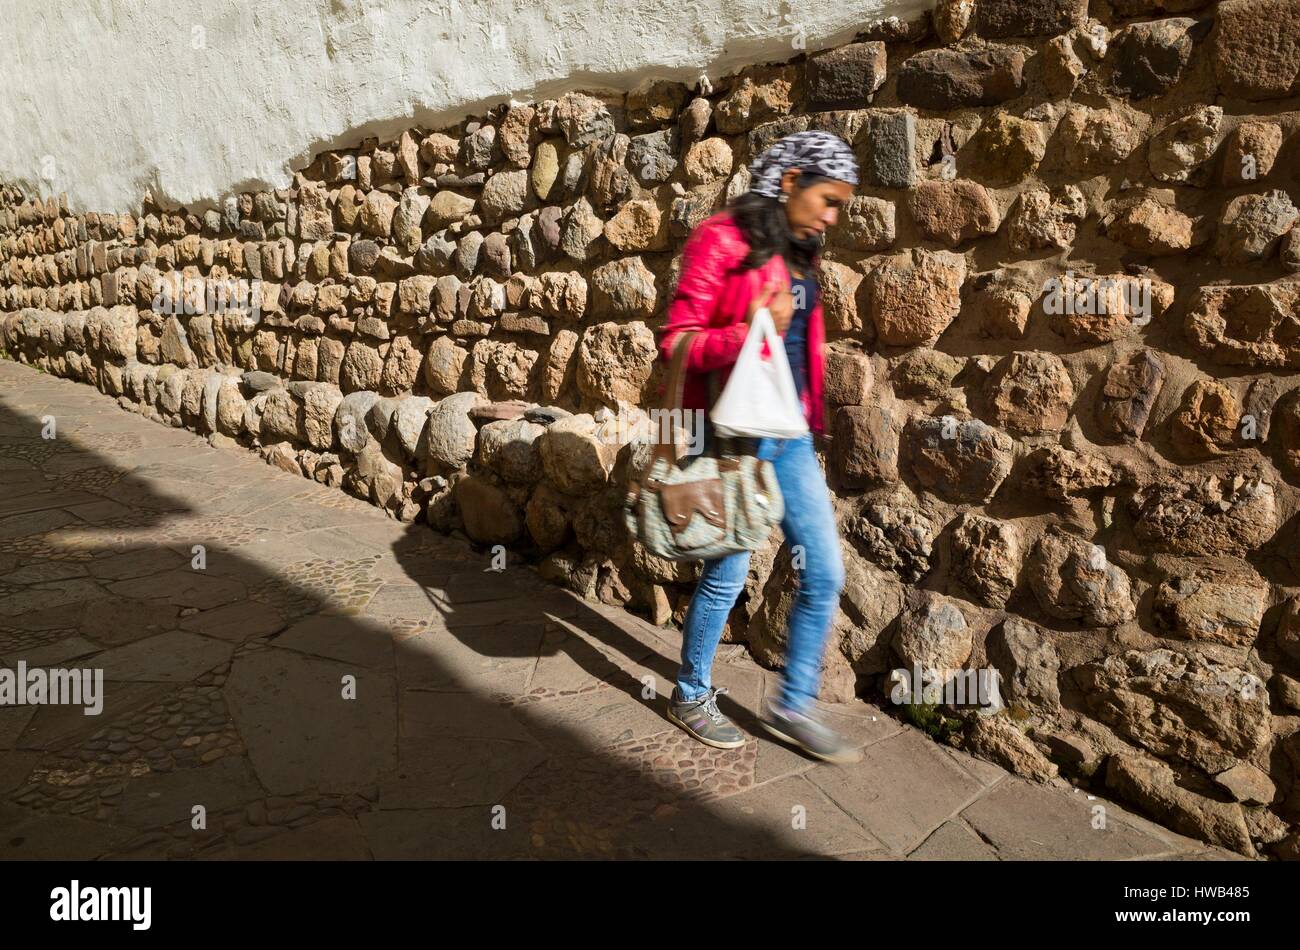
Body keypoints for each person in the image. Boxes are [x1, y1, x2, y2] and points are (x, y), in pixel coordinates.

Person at [655, 131, 860, 764]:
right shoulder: (721, 238)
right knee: (729, 572)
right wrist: (752, 328)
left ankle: (792, 705)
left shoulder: (804, 254)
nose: (831, 217)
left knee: (824, 570)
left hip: (789, 433)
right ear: (792, 181)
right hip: (731, 436)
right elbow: (677, 340)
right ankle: (690, 693)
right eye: (827, 200)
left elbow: (798, 349)